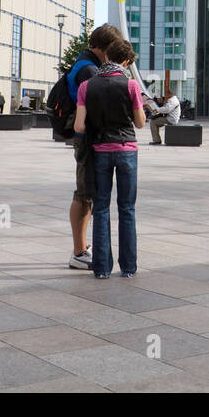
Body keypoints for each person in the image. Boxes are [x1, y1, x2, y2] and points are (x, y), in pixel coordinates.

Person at [82, 37, 147, 279]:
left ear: (107, 56)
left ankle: (101, 269)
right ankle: (128, 268)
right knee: (127, 209)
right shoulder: (130, 85)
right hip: (126, 149)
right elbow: (140, 123)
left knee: (101, 208)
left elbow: (79, 124)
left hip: (100, 150)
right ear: (126, 60)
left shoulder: (87, 86)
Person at [67, 24, 123, 270]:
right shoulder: (89, 70)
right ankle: (79, 252)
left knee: (87, 193)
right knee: (84, 193)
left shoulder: (85, 63)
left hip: (90, 137)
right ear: (105, 47)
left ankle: (81, 248)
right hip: (89, 139)